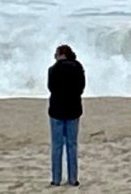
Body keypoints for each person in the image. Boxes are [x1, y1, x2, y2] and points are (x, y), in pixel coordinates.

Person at [48, 44, 86, 187]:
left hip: (56, 110)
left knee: (57, 146)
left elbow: (51, 88)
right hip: (73, 109)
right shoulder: (78, 67)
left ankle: (56, 179)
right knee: (72, 145)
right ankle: (73, 179)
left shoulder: (53, 69)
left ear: (60, 54)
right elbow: (81, 88)